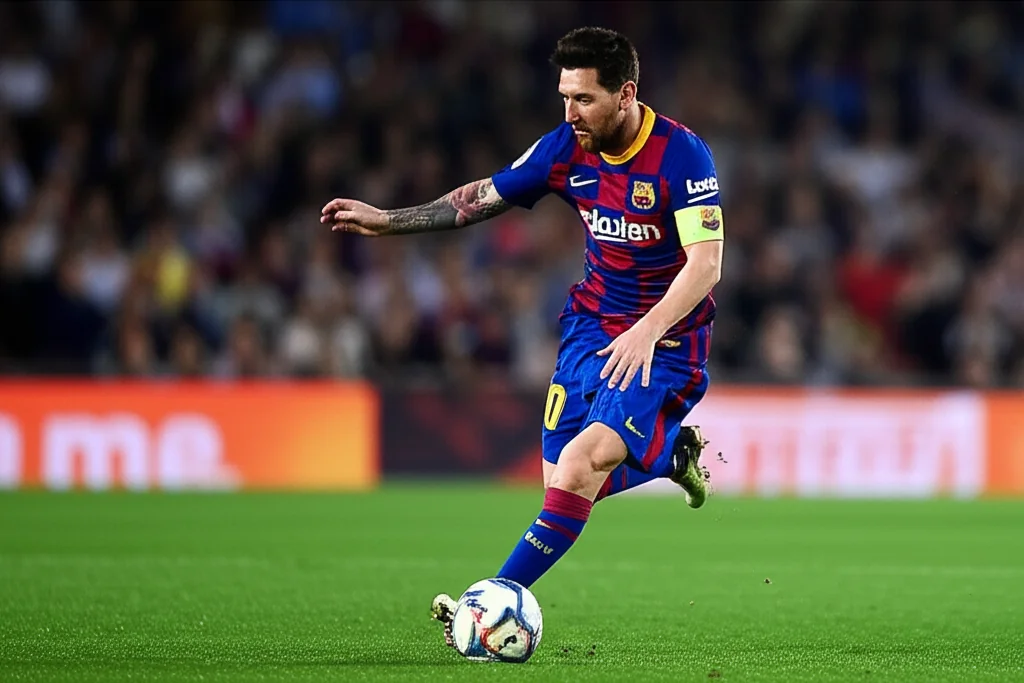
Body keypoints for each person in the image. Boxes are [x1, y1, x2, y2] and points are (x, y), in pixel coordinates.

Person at [321, 26, 724, 648]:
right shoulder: (565, 149)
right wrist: (388, 221)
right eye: (564, 96)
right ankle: (669, 456)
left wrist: (647, 333)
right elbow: (480, 198)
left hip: (664, 339)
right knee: (560, 481)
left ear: (626, 94)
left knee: (580, 466)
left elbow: (706, 264)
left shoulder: (682, 155)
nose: (570, 113)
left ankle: (489, 601)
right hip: (591, 326)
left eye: (584, 99)